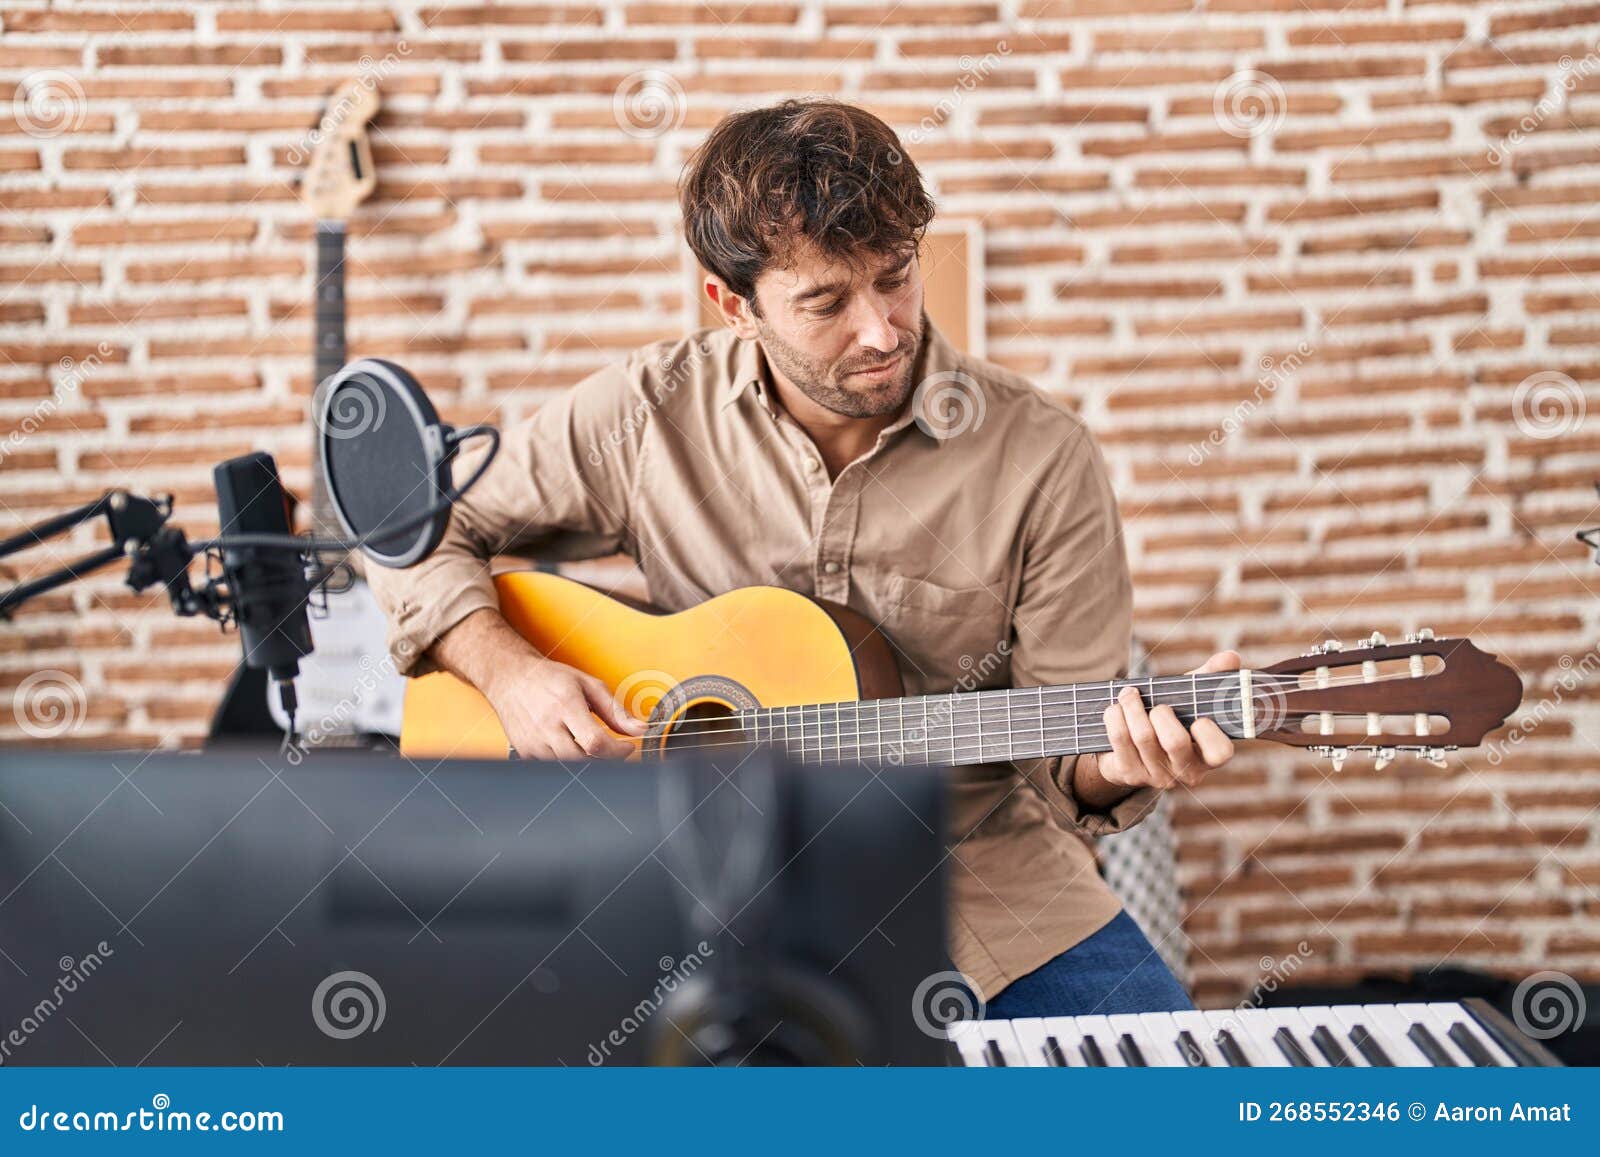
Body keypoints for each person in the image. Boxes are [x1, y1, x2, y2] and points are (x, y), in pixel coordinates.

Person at [365, 98, 1239, 1017]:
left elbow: (1070, 772)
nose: (882, 330)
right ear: (731, 304)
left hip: (979, 879)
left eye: (896, 277)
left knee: (1164, 1091)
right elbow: (409, 529)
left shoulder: (1044, 457)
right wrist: (508, 676)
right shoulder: (643, 415)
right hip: (681, 884)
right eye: (825, 301)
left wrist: (1126, 762)